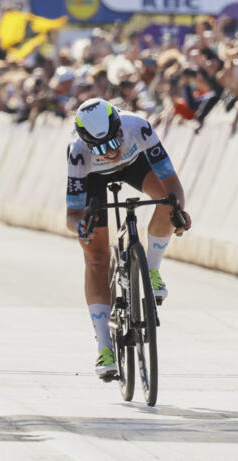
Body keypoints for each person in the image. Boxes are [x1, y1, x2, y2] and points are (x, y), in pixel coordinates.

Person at [65, 98, 191, 379]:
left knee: (168, 203)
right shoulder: (78, 152)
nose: (110, 152)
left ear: (119, 126)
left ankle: (152, 269)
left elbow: (171, 183)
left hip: (136, 163)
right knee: (96, 258)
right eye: (101, 148)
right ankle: (104, 346)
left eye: (113, 141)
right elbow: (72, 215)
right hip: (93, 178)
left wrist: (178, 212)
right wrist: (81, 227)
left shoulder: (138, 127)